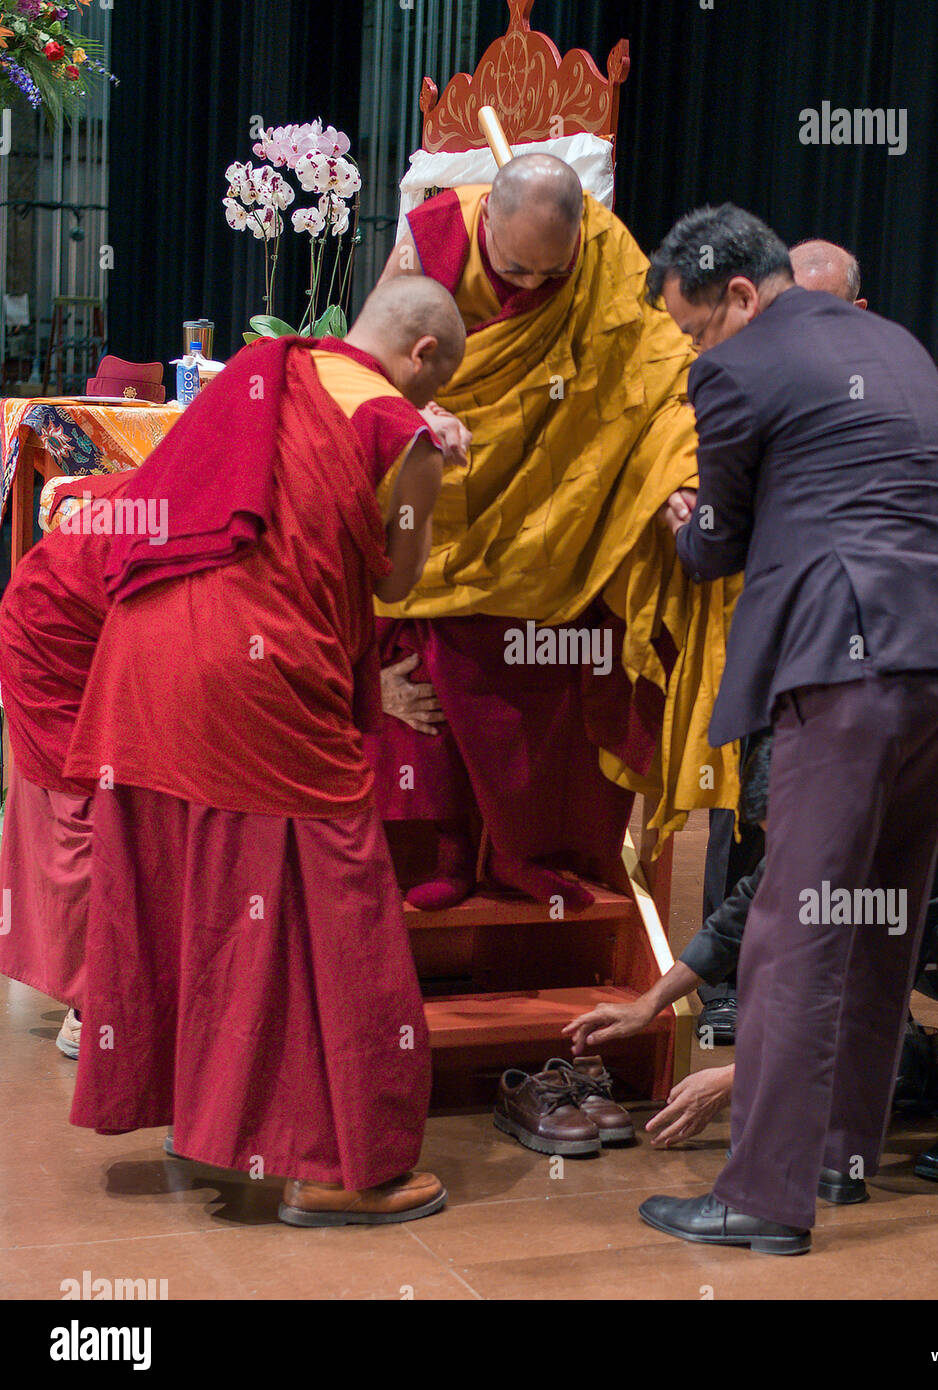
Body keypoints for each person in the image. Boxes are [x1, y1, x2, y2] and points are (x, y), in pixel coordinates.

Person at [620, 204, 938, 1255]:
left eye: (695, 328)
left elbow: (721, 541)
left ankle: (761, 1196)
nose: (695, 350)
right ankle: (837, 1152)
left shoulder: (735, 372)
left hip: (847, 658)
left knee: (796, 925)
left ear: (740, 295)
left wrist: (682, 523)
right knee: (882, 908)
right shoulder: (897, 341)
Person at [46, 277, 466, 1227]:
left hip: (144, 660)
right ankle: (343, 1168)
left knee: (186, 884)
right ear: (427, 357)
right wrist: (433, 473)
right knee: (338, 903)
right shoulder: (406, 434)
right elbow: (398, 578)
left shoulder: (258, 372)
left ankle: (202, 1118)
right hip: (258, 677)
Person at [368, 153, 741, 911]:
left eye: (551, 274)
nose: (533, 289)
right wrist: (411, 413)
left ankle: (530, 848)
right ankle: (436, 848)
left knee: (552, 669)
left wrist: (681, 477)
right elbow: (370, 355)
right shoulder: (431, 237)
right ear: (488, 223)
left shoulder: (605, 250)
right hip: (447, 491)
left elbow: (665, 373)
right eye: (515, 269)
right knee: (426, 674)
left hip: (552, 509)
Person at [0, 483, 447, 1062]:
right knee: (106, 812)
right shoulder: (271, 524)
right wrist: (369, 691)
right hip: (60, 628)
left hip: (126, 614)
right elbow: (249, 643)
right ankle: (98, 1008)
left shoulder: (308, 511)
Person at [567, 759, 938, 1182]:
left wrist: (735, 1081)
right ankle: (912, 1069)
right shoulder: (828, 809)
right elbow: (741, 915)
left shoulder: (922, 839)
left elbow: (868, 988)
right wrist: (648, 1003)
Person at [697, 236, 867, 1045]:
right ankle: (723, 982)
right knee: (746, 805)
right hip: (757, 627)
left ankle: (817, 976)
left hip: (849, 637)